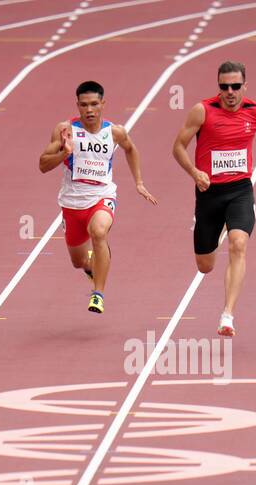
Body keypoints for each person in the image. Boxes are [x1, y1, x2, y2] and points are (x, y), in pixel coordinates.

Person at [172, 60, 256, 337]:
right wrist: (195, 172)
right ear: (218, 87)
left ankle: (227, 315)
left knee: (238, 244)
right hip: (209, 194)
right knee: (205, 266)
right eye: (225, 87)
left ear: (245, 86)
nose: (230, 92)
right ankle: (216, 226)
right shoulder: (202, 111)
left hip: (240, 190)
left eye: (235, 86)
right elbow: (177, 147)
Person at [39, 80, 156, 314]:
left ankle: (98, 294)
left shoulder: (114, 132)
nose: (89, 110)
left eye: (94, 104)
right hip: (72, 204)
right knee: (78, 262)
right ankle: (92, 265)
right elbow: (42, 164)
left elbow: (130, 149)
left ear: (103, 103)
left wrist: (139, 182)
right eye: (84, 105)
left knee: (99, 231)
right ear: (77, 106)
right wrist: (64, 152)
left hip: (102, 197)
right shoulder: (65, 130)